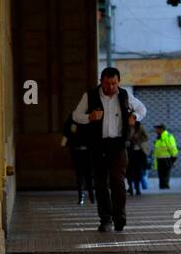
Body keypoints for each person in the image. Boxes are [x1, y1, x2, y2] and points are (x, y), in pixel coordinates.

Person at [72, 66, 147, 232]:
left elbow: (142, 109)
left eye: (114, 83)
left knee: (118, 182)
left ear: (119, 82)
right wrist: (89, 117)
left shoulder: (125, 95)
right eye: (107, 83)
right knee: (100, 183)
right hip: (98, 145)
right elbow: (76, 115)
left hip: (118, 145)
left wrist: (135, 116)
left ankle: (119, 218)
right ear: (101, 81)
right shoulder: (90, 96)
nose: (111, 87)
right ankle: (105, 220)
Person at [61, 114, 94, 205]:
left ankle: (91, 196)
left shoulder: (88, 117)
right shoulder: (73, 117)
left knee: (89, 175)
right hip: (77, 151)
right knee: (79, 175)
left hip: (88, 152)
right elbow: (66, 131)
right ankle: (81, 197)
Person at [125, 113, 152, 196]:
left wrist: (138, 140)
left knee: (138, 171)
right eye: (130, 118)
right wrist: (128, 141)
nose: (131, 120)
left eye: (133, 118)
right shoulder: (125, 127)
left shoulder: (139, 127)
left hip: (138, 151)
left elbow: (146, 137)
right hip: (129, 151)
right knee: (129, 170)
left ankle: (137, 188)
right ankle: (130, 188)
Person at [153, 124, 180, 188]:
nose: (156, 130)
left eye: (157, 128)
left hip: (166, 159)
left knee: (165, 175)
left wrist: (174, 157)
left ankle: (165, 188)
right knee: (161, 175)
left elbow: (172, 147)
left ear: (161, 129)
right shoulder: (159, 137)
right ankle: (162, 188)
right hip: (159, 159)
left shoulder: (168, 136)